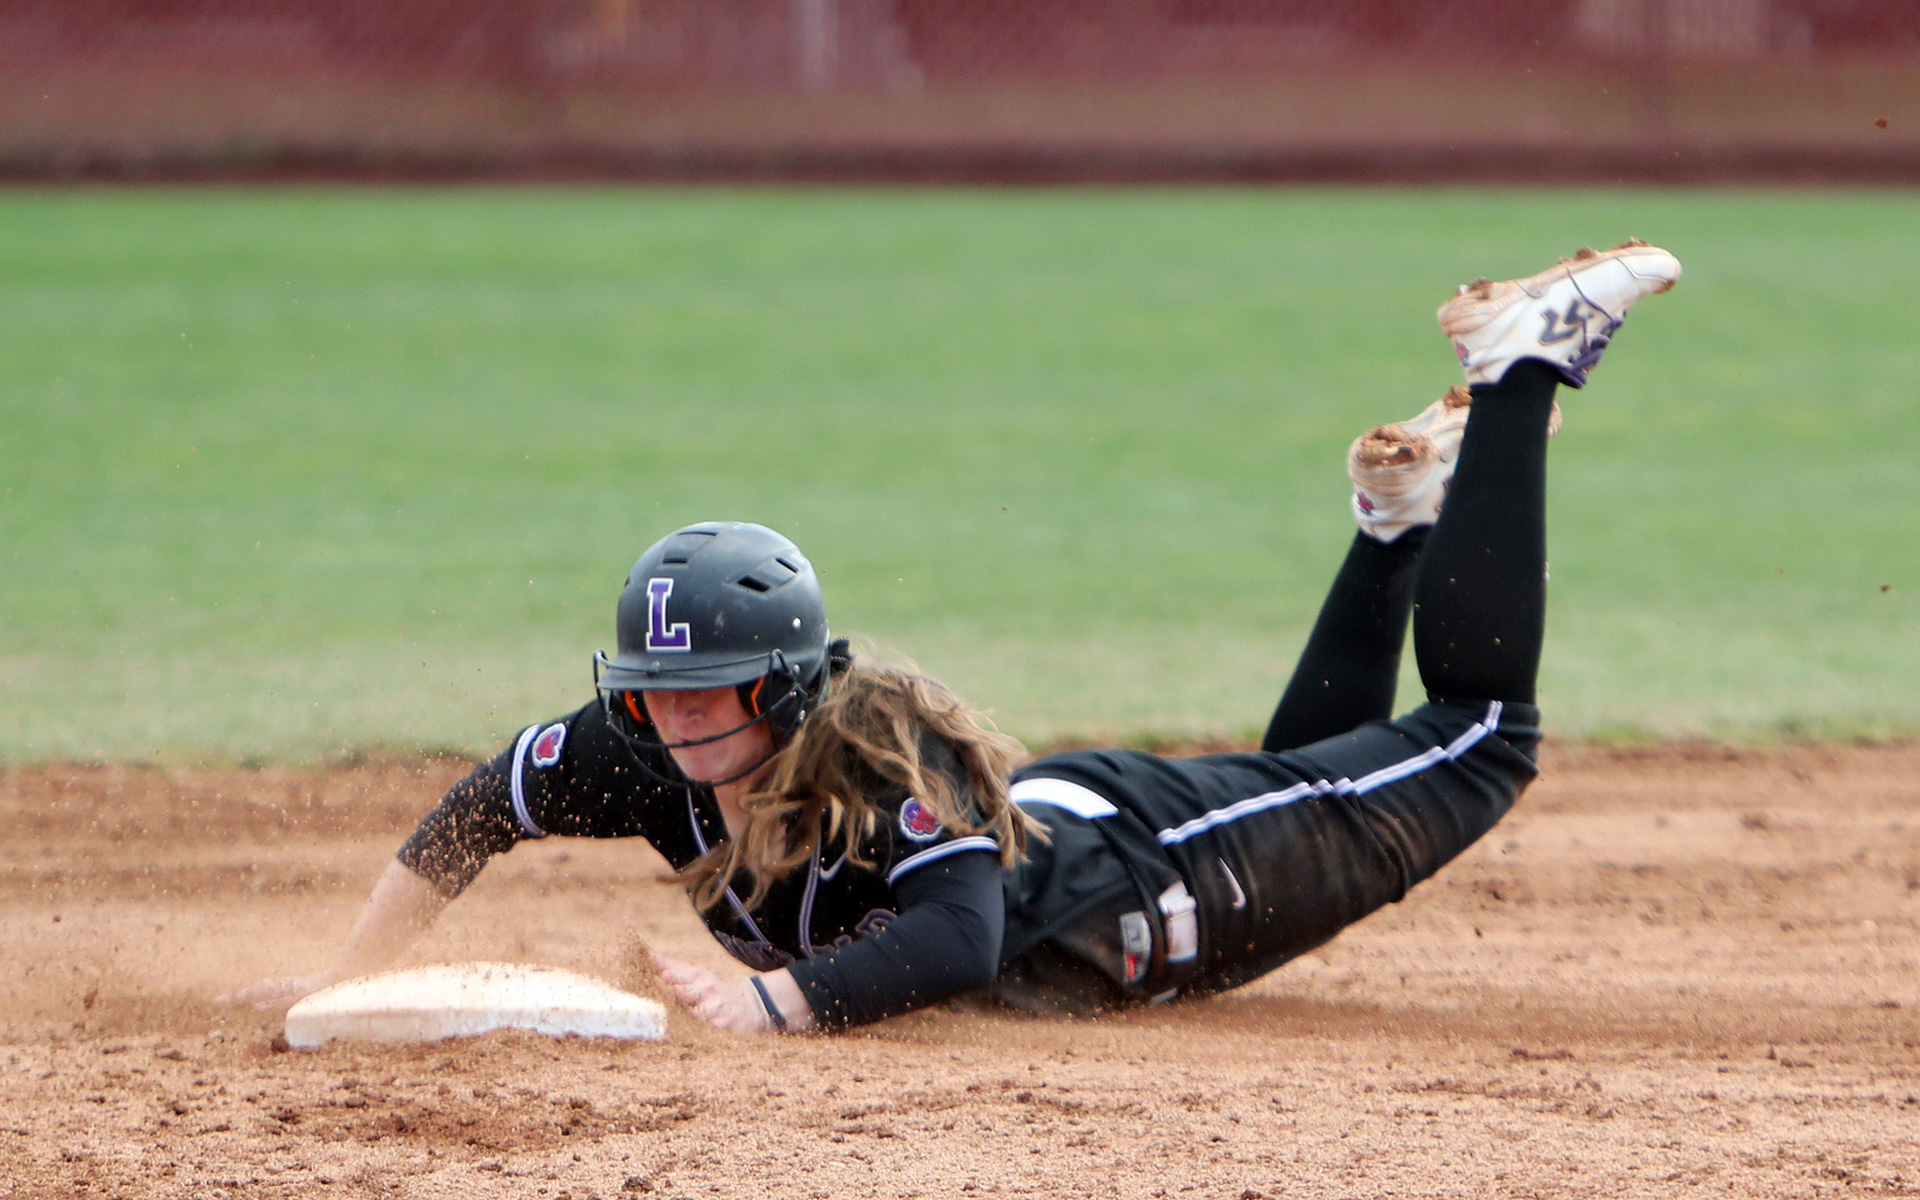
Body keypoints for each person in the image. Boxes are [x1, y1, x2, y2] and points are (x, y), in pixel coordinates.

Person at [234, 240, 1680, 1033]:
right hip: (1122, 854)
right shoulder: (639, 751)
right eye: (656, 691)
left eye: (711, 690)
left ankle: (1519, 368)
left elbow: (961, 929)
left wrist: (775, 1003)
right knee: (1318, 774)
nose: (674, 720)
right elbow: (472, 818)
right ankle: (1396, 530)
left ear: (789, 685)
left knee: (1484, 736)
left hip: (1152, 863)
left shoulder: (880, 757)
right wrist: (350, 978)